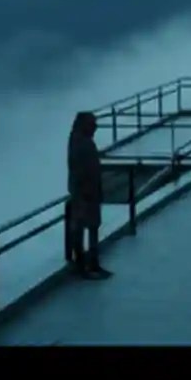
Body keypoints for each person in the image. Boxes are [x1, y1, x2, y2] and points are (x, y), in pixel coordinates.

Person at [66, 111, 112, 279]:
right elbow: (81, 170)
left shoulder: (78, 140)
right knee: (84, 228)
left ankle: (89, 264)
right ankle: (85, 265)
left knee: (88, 228)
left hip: (86, 192)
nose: (95, 128)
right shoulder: (81, 142)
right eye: (92, 124)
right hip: (85, 193)